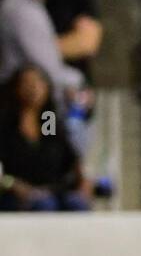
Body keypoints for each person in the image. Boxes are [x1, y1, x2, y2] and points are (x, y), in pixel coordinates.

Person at [0, 0, 86, 109]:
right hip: (23, 109)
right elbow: (48, 70)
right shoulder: (21, 9)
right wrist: (80, 82)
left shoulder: (33, 6)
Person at [0, 66, 90, 211]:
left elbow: (67, 156)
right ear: (15, 88)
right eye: (27, 83)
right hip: (16, 193)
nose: (33, 87)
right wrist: (14, 185)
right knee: (44, 205)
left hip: (51, 190)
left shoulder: (48, 121)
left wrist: (83, 180)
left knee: (76, 203)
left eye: (38, 82)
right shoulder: (7, 125)